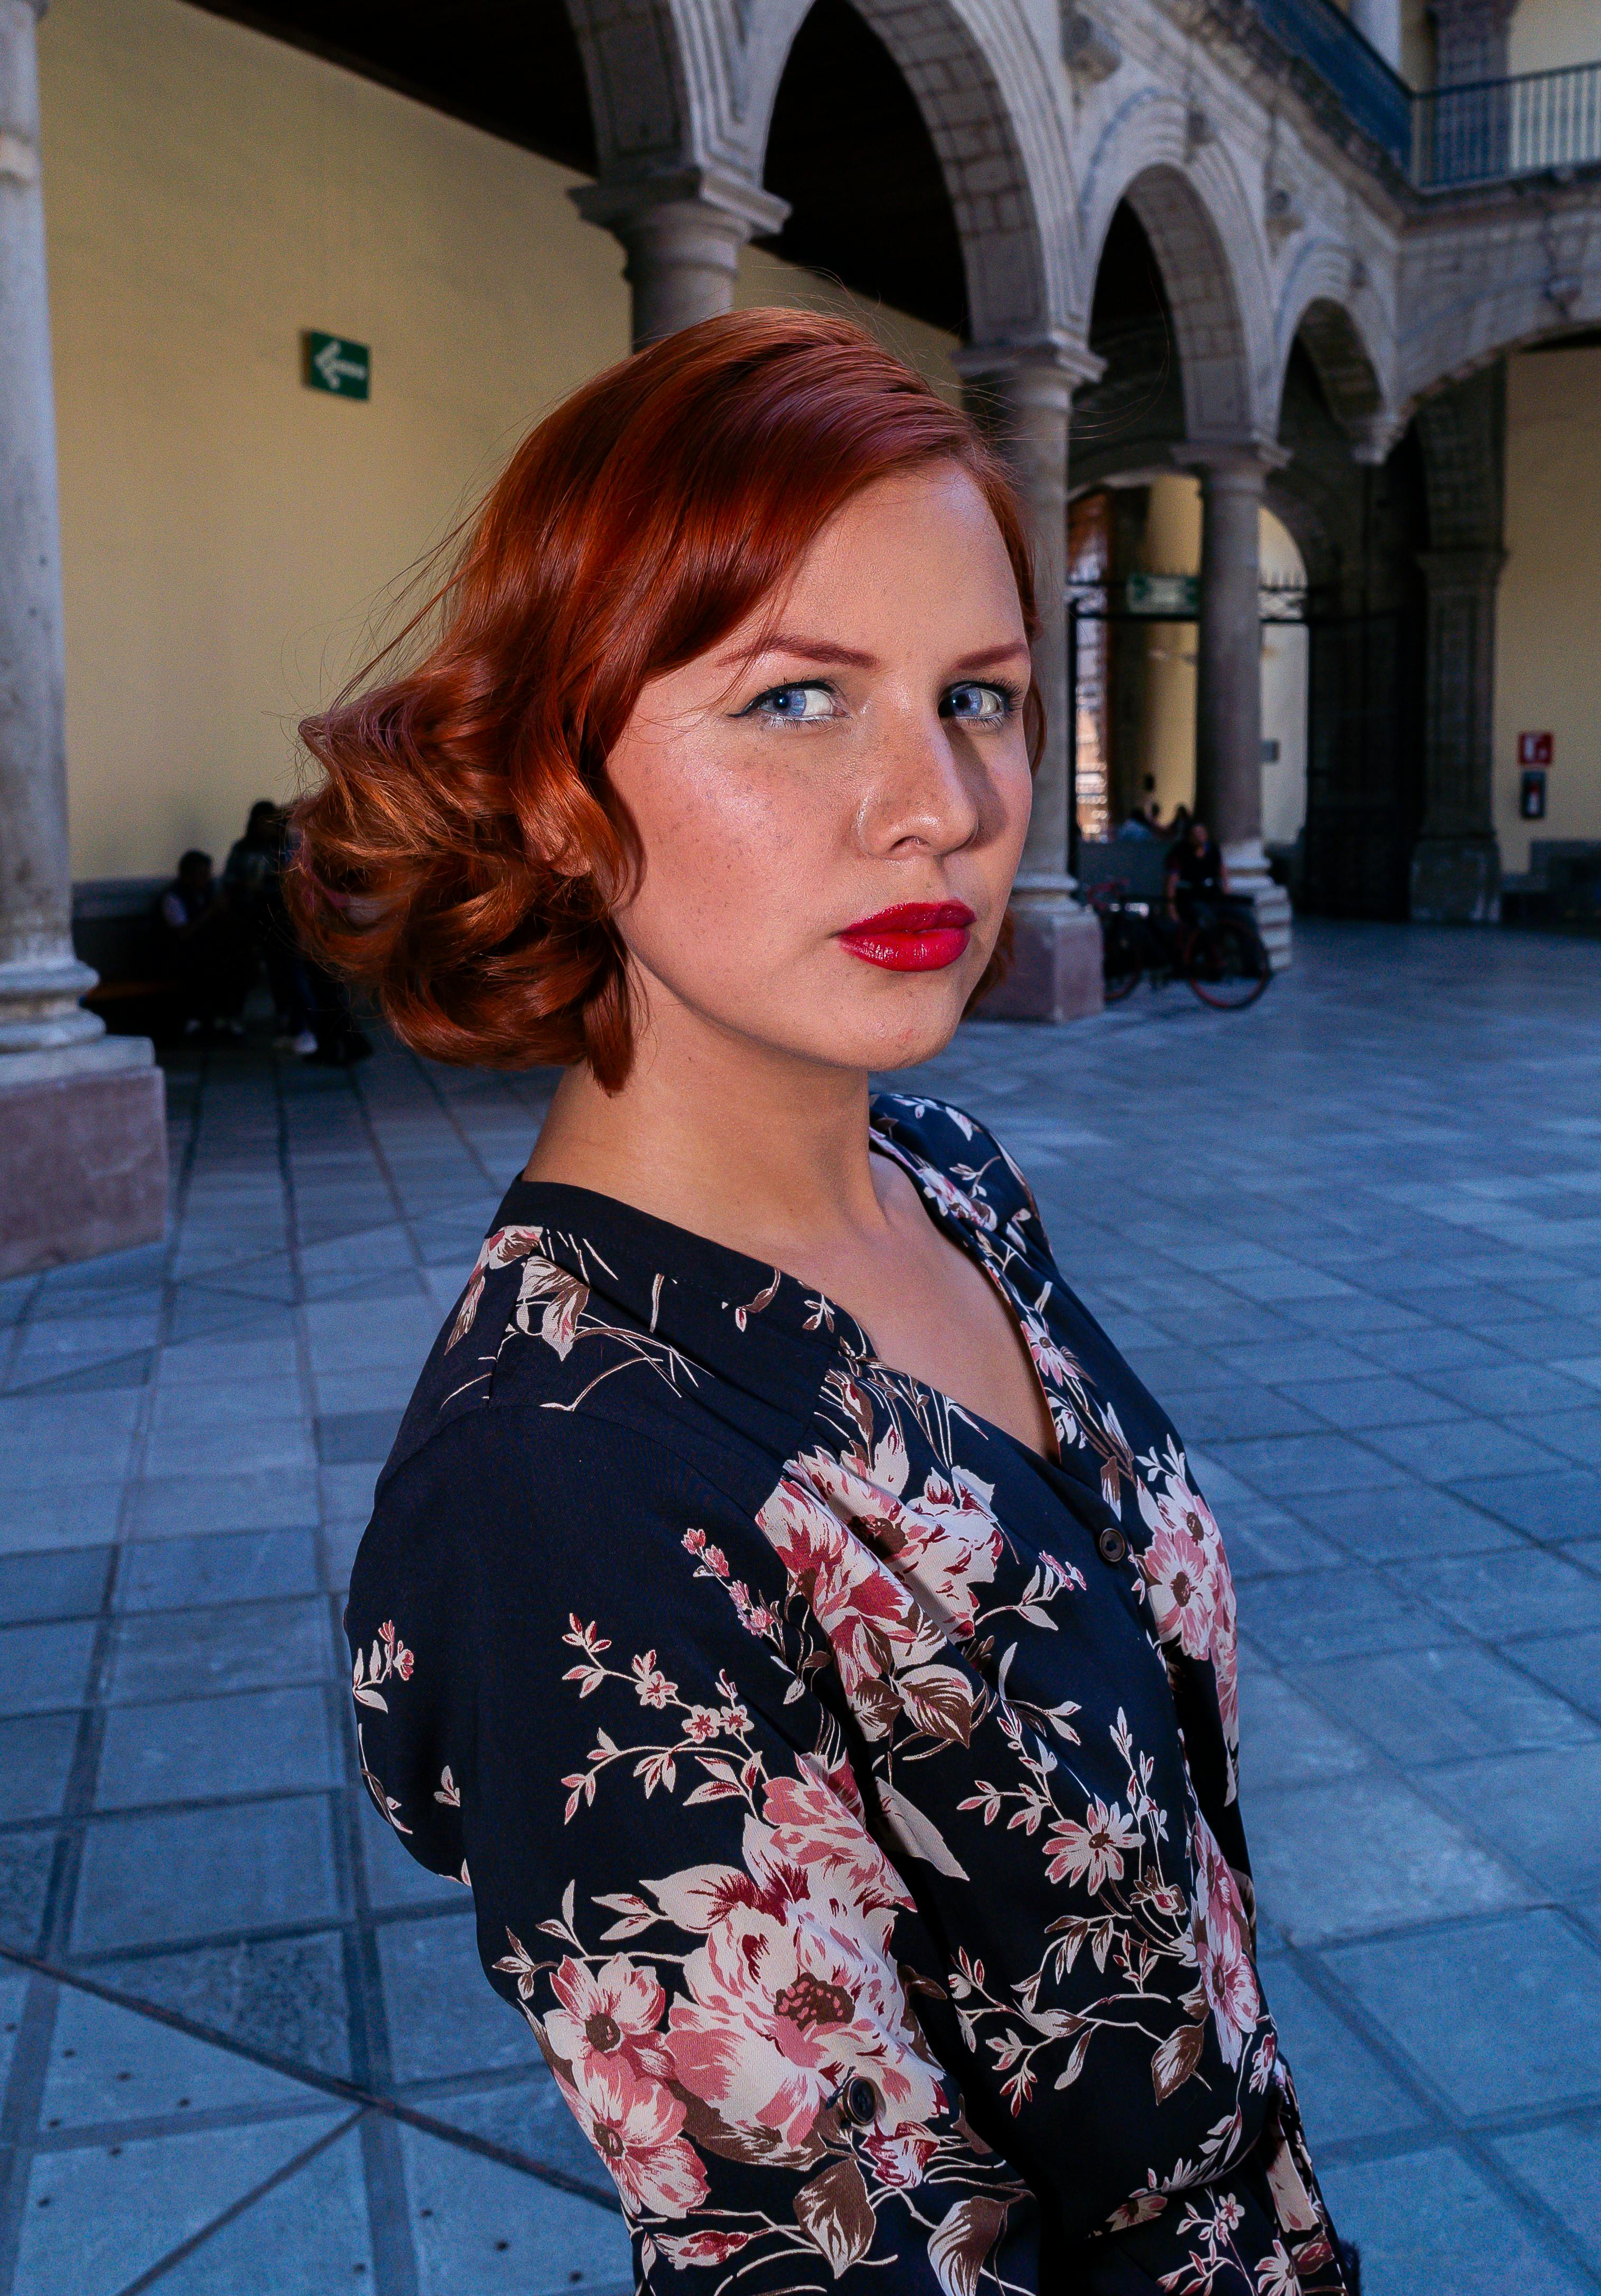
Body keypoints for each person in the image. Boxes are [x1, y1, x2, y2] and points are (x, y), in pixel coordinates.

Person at [293, 311, 1354, 2294]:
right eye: (795, 699)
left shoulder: (947, 1179)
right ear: (553, 787)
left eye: (979, 697)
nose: (937, 802)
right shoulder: (571, 1485)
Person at [224, 800, 319, 1054]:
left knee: (292, 971)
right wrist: (244, 885)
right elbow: (229, 878)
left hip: (282, 914)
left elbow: (294, 878)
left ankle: (304, 1027)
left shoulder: (284, 846)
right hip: (252, 914)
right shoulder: (243, 849)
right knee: (272, 971)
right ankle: (283, 1020)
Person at [155, 848, 250, 1037]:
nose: (206, 880)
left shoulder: (210, 892)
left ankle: (227, 1016)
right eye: (201, 876)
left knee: (238, 962)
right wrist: (211, 911)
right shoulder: (174, 897)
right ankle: (199, 1019)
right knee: (208, 967)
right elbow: (183, 935)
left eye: (208, 875)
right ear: (187, 877)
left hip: (208, 951)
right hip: (177, 955)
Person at [1165, 816, 1228, 923]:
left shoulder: (1212, 849)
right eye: (1196, 834)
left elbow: (1222, 870)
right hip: (1190, 897)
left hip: (1212, 893)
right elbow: (1171, 883)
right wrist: (1172, 911)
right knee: (1205, 917)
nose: (1200, 837)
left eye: (1202, 833)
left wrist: (1226, 892)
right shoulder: (1180, 853)